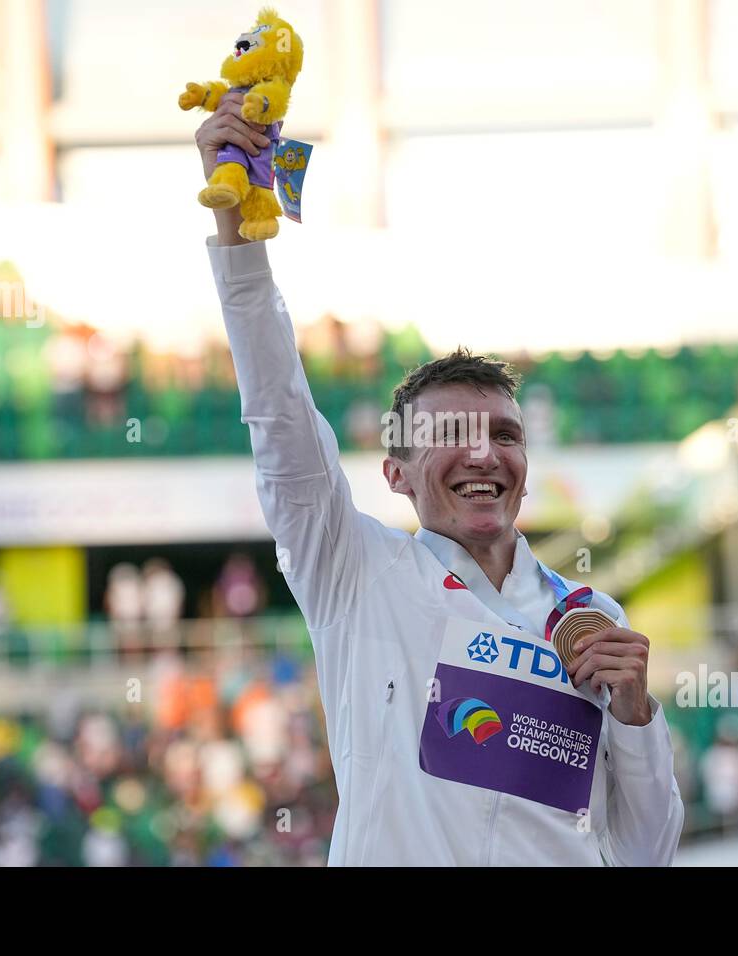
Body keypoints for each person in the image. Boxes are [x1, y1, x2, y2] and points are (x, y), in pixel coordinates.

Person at [196, 92, 683, 866]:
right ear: (396, 473)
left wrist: (633, 713)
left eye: (505, 435)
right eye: (452, 435)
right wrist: (239, 237)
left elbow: (645, 852)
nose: (485, 455)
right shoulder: (356, 573)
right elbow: (282, 422)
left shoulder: (590, 618)